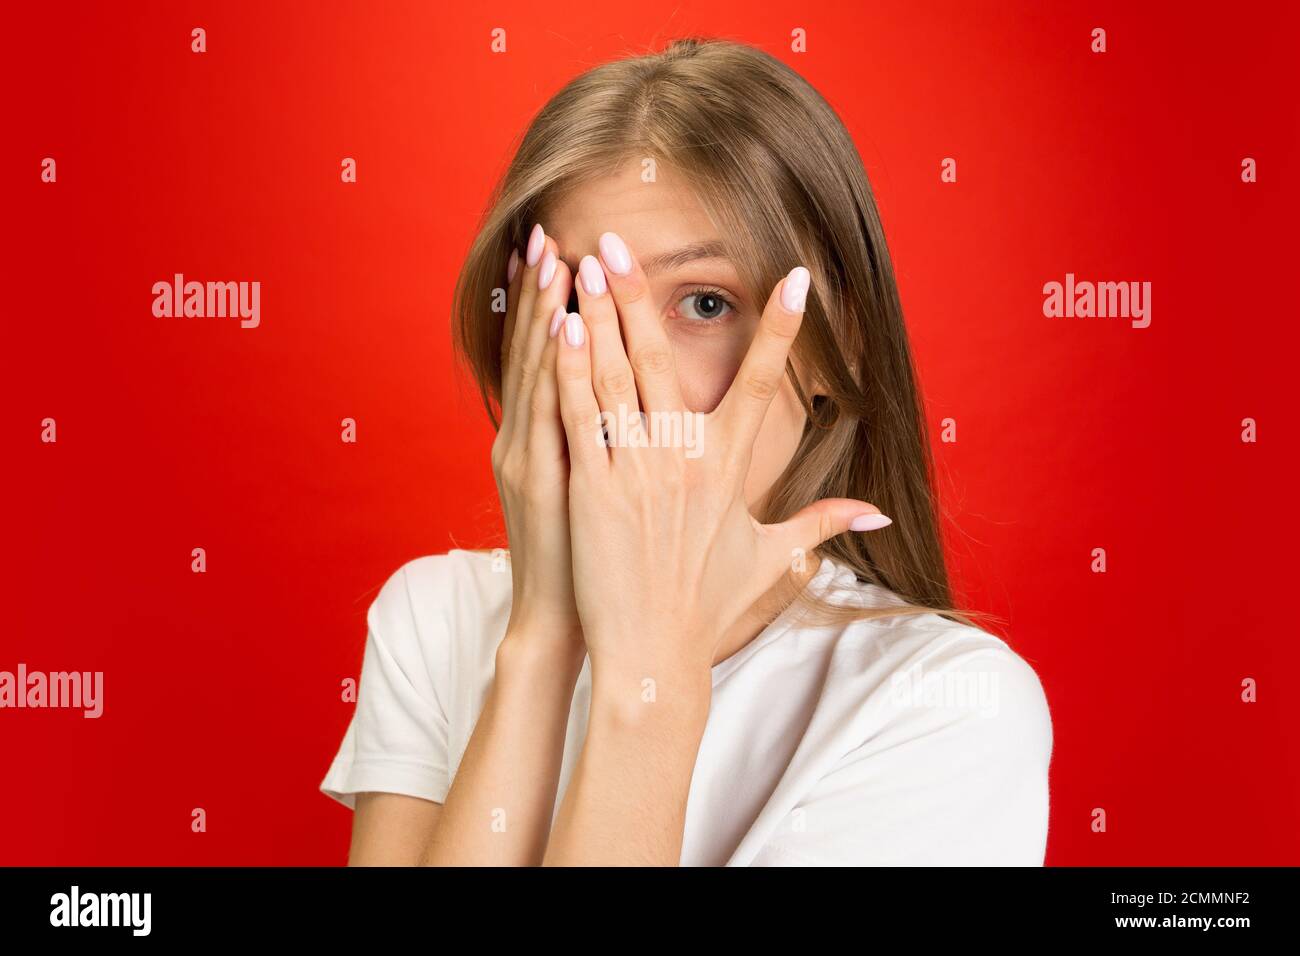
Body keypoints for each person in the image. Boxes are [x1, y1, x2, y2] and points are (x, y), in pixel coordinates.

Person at [320, 37, 1052, 866]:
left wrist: (650, 680)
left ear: (830, 348)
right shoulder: (435, 618)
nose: (624, 371)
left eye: (704, 302)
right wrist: (543, 636)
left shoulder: (945, 706)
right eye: (575, 301)